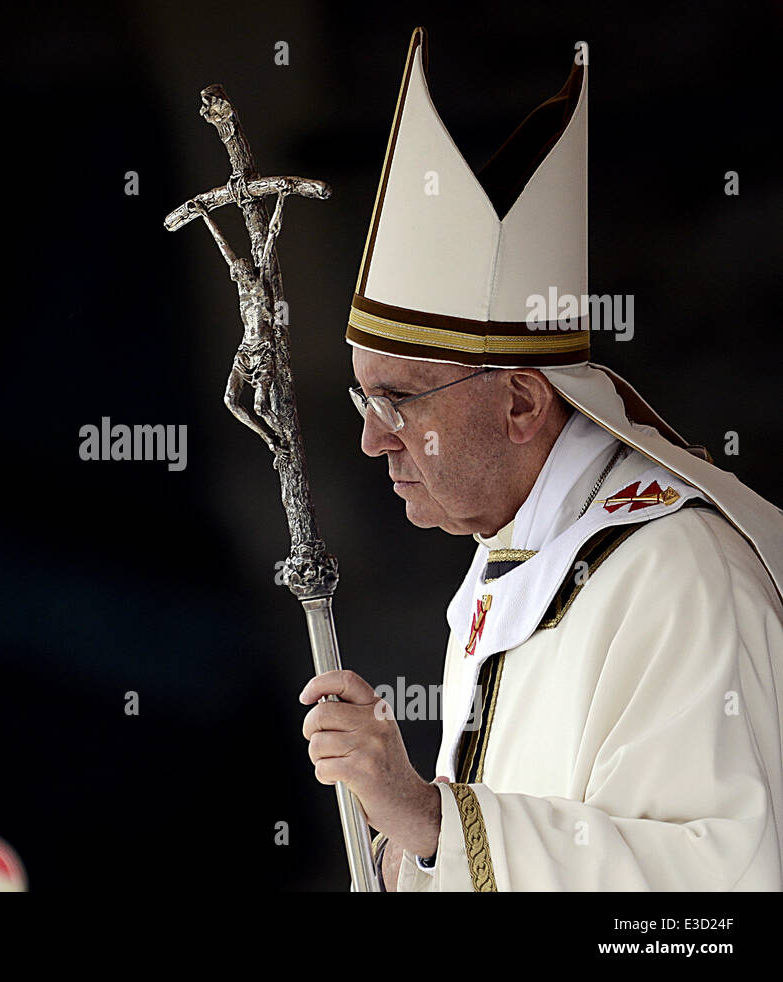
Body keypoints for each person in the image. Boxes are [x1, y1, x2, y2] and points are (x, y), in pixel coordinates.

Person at [299, 26, 783, 891]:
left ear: (522, 402)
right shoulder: (511, 570)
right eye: (363, 400)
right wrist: (411, 857)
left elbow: (716, 897)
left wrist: (424, 816)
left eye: (399, 401)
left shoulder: (674, 573)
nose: (374, 438)